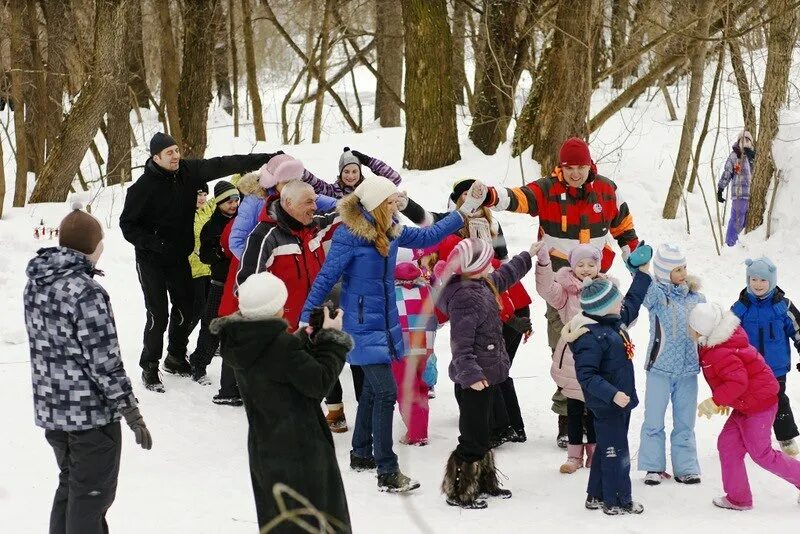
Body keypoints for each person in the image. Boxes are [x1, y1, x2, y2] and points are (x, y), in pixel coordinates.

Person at [300, 177, 482, 492]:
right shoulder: (350, 236)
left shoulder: (393, 230)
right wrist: (307, 316)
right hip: (360, 325)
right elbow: (326, 276)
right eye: (390, 201)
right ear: (375, 204)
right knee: (385, 392)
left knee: (373, 391)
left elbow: (431, 234)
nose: (395, 205)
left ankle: (360, 453)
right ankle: (387, 470)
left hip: (387, 323)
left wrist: (464, 210)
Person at [481, 137, 640, 447]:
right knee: (565, 352)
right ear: (561, 168)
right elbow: (519, 198)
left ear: (589, 166)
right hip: (559, 285)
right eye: (570, 168)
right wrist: (489, 195)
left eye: (581, 167)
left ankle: (594, 416)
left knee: (599, 354)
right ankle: (567, 420)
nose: (576, 174)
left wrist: (634, 258)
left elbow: (624, 227)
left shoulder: (606, 190)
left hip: (597, 289)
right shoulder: (548, 189)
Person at [24, 203, 153, 534]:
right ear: (93, 246)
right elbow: (105, 361)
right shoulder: (87, 292)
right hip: (90, 416)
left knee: (71, 489)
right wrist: (131, 412)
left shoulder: (37, 282)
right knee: (91, 498)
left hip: (54, 412)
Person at [119, 132, 280, 392]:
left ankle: (175, 356)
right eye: (168, 152)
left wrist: (266, 158)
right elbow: (127, 225)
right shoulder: (142, 188)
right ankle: (149, 365)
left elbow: (224, 163)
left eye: (176, 150)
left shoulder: (188, 171)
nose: (175, 155)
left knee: (187, 308)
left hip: (178, 257)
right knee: (158, 314)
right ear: (155, 157)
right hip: (151, 260)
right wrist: (156, 243)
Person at [211, 272, 352, 532]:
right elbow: (319, 381)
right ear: (276, 307)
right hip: (299, 450)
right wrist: (332, 341)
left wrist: (302, 340)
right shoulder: (281, 348)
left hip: (266, 448)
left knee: (282, 522)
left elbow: (276, 371)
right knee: (314, 522)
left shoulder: (241, 340)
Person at [405, 179, 533, 445]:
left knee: (496, 367)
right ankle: (487, 425)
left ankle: (504, 426)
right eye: (466, 194)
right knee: (482, 365)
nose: (473, 198)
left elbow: (504, 263)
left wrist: (514, 312)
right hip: (476, 299)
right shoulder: (449, 225)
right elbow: (424, 220)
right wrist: (405, 204)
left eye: (478, 194)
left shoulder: (492, 226)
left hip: (498, 298)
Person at [535, 243, 648, 474]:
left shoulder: (607, 288)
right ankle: (574, 456)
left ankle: (595, 452)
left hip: (603, 358)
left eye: (591, 264)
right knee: (575, 407)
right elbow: (546, 289)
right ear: (572, 266)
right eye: (580, 264)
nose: (586, 269)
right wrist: (545, 263)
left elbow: (625, 314)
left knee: (598, 406)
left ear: (599, 265)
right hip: (574, 360)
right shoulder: (565, 292)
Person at [438, 238, 534, 509]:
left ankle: (485, 481)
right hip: (474, 379)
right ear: (476, 265)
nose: (492, 265)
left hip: (488, 373)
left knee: (483, 432)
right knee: (473, 436)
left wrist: (529, 254)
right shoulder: (465, 297)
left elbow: (505, 275)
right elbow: (461, 344)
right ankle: (460, 490)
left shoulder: (481, 284)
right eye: (486, 261)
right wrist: (471, 376)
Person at [689, 302, 800, 510]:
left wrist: (715, 401)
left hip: (760, 406)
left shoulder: (719, 351)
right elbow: (732, 378)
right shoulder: (719, 343)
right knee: (727, 444)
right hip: (746, 405)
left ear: (702, 329)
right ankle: (738, 498)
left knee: (762, 454)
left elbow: (738, 382)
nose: (689, 331)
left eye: (691, 327)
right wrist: (726, 399)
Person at [567, 268, 652, 515]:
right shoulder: (589, 338)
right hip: (608, 404)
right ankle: (617, 500)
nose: (621, 305)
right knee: (617, 452)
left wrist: (643, 276)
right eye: (617, 302)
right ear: (603, 307)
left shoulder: (611, 321)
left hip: (620, 402)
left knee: (607, 447)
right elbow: (587, 375)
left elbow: (632, 302)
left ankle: (595, 494)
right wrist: (612, 394)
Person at [637, 244, 705, 485]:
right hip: (659, 369)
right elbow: (640, 284)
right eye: (677, 269)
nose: (683, 272)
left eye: (684, 267)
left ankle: (686, 467)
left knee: (685, 421)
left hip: (688, 370)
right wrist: (637, 265)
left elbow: (705, 327)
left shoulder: (696, 298)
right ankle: (653, 467)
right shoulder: (657, 295)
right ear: (665, 273)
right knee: (654, 419)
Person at [237, 179, 340, 329]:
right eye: (309, 202)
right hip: (283, 331)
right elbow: (247, 285)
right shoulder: (264, 236)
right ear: (289, 203)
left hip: (313, 326)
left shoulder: (314, 226)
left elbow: (345, 215)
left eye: (315, 201)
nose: (315, 207)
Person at [731, 257, 800, 457]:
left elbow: (798, 330)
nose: (758, 284)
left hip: (775, 367)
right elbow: (727, 332)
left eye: (763, 280)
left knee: (778, 399)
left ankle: (786, 436)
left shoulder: (782, 307)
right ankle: (749, 437)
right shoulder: (741, 307)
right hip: (749, 367)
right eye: (753, 279)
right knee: (748, 402)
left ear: (772, 281)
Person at [190, 180, 241, 400]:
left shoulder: (242, 221)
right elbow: (204, 255)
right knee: (212, 325)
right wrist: (220, 253)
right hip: (219, 283)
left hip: (239, 282)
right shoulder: (211, 226)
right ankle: (199, 363)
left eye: (236, 200)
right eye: (228, 201)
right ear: (219, 203)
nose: (233, 204)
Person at [391, 249, 438, 446]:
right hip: (424, 348)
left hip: (401, 349)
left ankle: (416, 433)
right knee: (420, 387)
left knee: (405, 389)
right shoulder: (426, 290)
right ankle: (420, 429)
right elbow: (437, 319)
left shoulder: (390, 293)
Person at [301, 146, 401, 198]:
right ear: (340, 172)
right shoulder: (334, 191)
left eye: (354, 171)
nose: (350, 176)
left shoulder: (369, 188)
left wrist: (369, 161)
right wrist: (297, 168)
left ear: (360, 172)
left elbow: (394, 179)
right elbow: (315, 182)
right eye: (346, 171)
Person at [716, 131, 755, 247]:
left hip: (750, 195)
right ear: (739, 142)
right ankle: (730, 244)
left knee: (744, 220)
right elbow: (727, 172)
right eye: (743, 140)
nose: (745, 143)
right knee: (737, 219)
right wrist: (721, 188)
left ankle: (737, 243)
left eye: (748, 140)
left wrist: (752, 158)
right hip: (739, 194)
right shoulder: (734, 156)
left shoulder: (753, 156)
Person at [188, 184, 213, 335]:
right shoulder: (184, 214)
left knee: (210, 309)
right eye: (199, 194)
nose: (202, 198)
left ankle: (208, 343)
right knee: (196, 310)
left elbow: (229, 189)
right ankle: (178, 344)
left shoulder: (208, 209)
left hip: (209, 269)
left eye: (205, 194)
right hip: (193, 271)